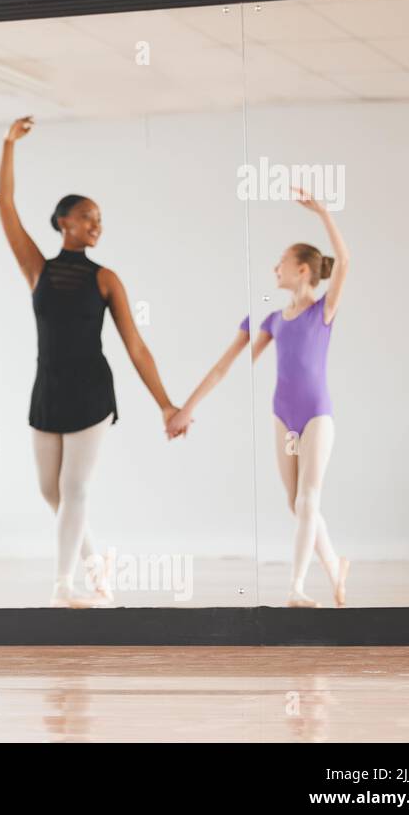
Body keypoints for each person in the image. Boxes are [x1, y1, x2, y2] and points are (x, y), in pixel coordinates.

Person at [0, 116, 184, 609]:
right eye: (87, 216)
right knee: (51, 493)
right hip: (47, 390)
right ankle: (99, 569)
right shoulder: (37, 269)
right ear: (63, 222)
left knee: (74, 489)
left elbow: (136, 347)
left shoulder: (106, 279)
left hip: (90, 394)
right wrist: (8, 143)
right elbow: (4, 204)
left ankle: (64, 587)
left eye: (100, 218)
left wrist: (166, 405)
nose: (96, 224)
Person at [169, 189, 352, 608]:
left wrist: (323, 213)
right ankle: (336, 566)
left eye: (281, 263)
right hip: (282, 416)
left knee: (308, 500)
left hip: (317, 415)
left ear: (302, 270)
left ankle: (297, 588)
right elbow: (223, 367)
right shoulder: (268, 320)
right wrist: (187, 409)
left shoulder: (322, 311)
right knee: (296, 503)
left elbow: (346, 262)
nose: (275, 268)